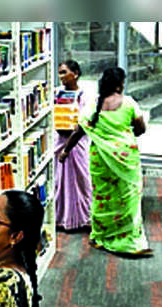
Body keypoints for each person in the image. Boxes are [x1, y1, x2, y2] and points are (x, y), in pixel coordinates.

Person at [58, 66, 151, 257]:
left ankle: (99, 236)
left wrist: (66, 151)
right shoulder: (129, 103)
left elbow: (79, 131)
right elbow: (141, 128)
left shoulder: (93, 106)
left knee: (102, 198)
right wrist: (122, 136)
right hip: (125, 160)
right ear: (120, 84)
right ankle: (129, 242)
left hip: (99, 160)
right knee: (128, 198)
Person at [53, 59, 93, 231]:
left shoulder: (85, 96)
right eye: (59, 73)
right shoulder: (56, 94)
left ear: (75, 74)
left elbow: (86, 121)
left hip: (78, 143)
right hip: (59, 140)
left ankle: (83, 218)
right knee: (59, 181)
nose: (61, 77)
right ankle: (61, 218)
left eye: (64, 72)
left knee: (81, 181)